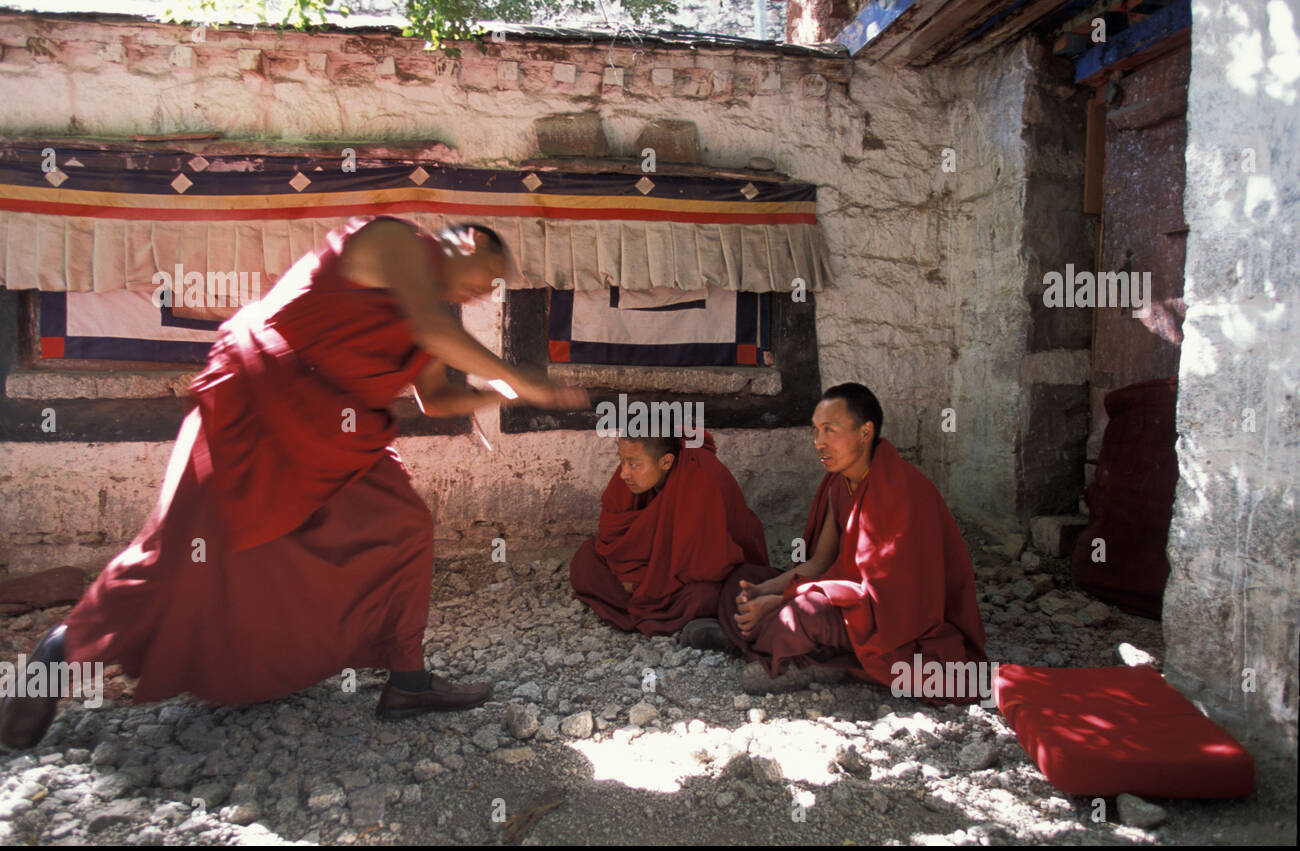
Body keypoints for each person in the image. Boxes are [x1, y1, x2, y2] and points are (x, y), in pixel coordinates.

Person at [0, 216, 588, 750]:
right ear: (462, 242)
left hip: (333, 431)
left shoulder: (429, 311)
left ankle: (408, 679)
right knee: (185, 551)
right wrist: (520, 376)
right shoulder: (394, 240)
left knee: (403, 526)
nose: (483, 294)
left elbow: (435, 400)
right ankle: (61, 651)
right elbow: (432, 326)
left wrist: (498, 391)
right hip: (258, 410)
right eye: (485, 277)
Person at [717, 383, 987, 699]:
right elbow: (819, 562)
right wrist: (762, 591)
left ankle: (806, 657)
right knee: (742, 578)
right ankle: (790, 646)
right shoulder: (839, 484)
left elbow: (889, 598)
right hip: (847, 598)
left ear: (865, 432)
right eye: (816, 431)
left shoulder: (902, 490)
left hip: (894, 620)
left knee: (804, 612)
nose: (819, 443)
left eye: (830, 431)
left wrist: (781, 601)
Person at [570, 426, 768, 642]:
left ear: (665, 461)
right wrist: (631, 575)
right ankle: (670, 616)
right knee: (586, 558)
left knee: (706, 596)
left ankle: (646, 607)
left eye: (634, 464)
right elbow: (613, 535)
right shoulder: (628, 477)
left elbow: (707, 564)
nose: (624, 473)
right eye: (622, 460)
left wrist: (639, 583)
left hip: (686, 576)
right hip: (651, 572)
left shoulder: (700, 475)